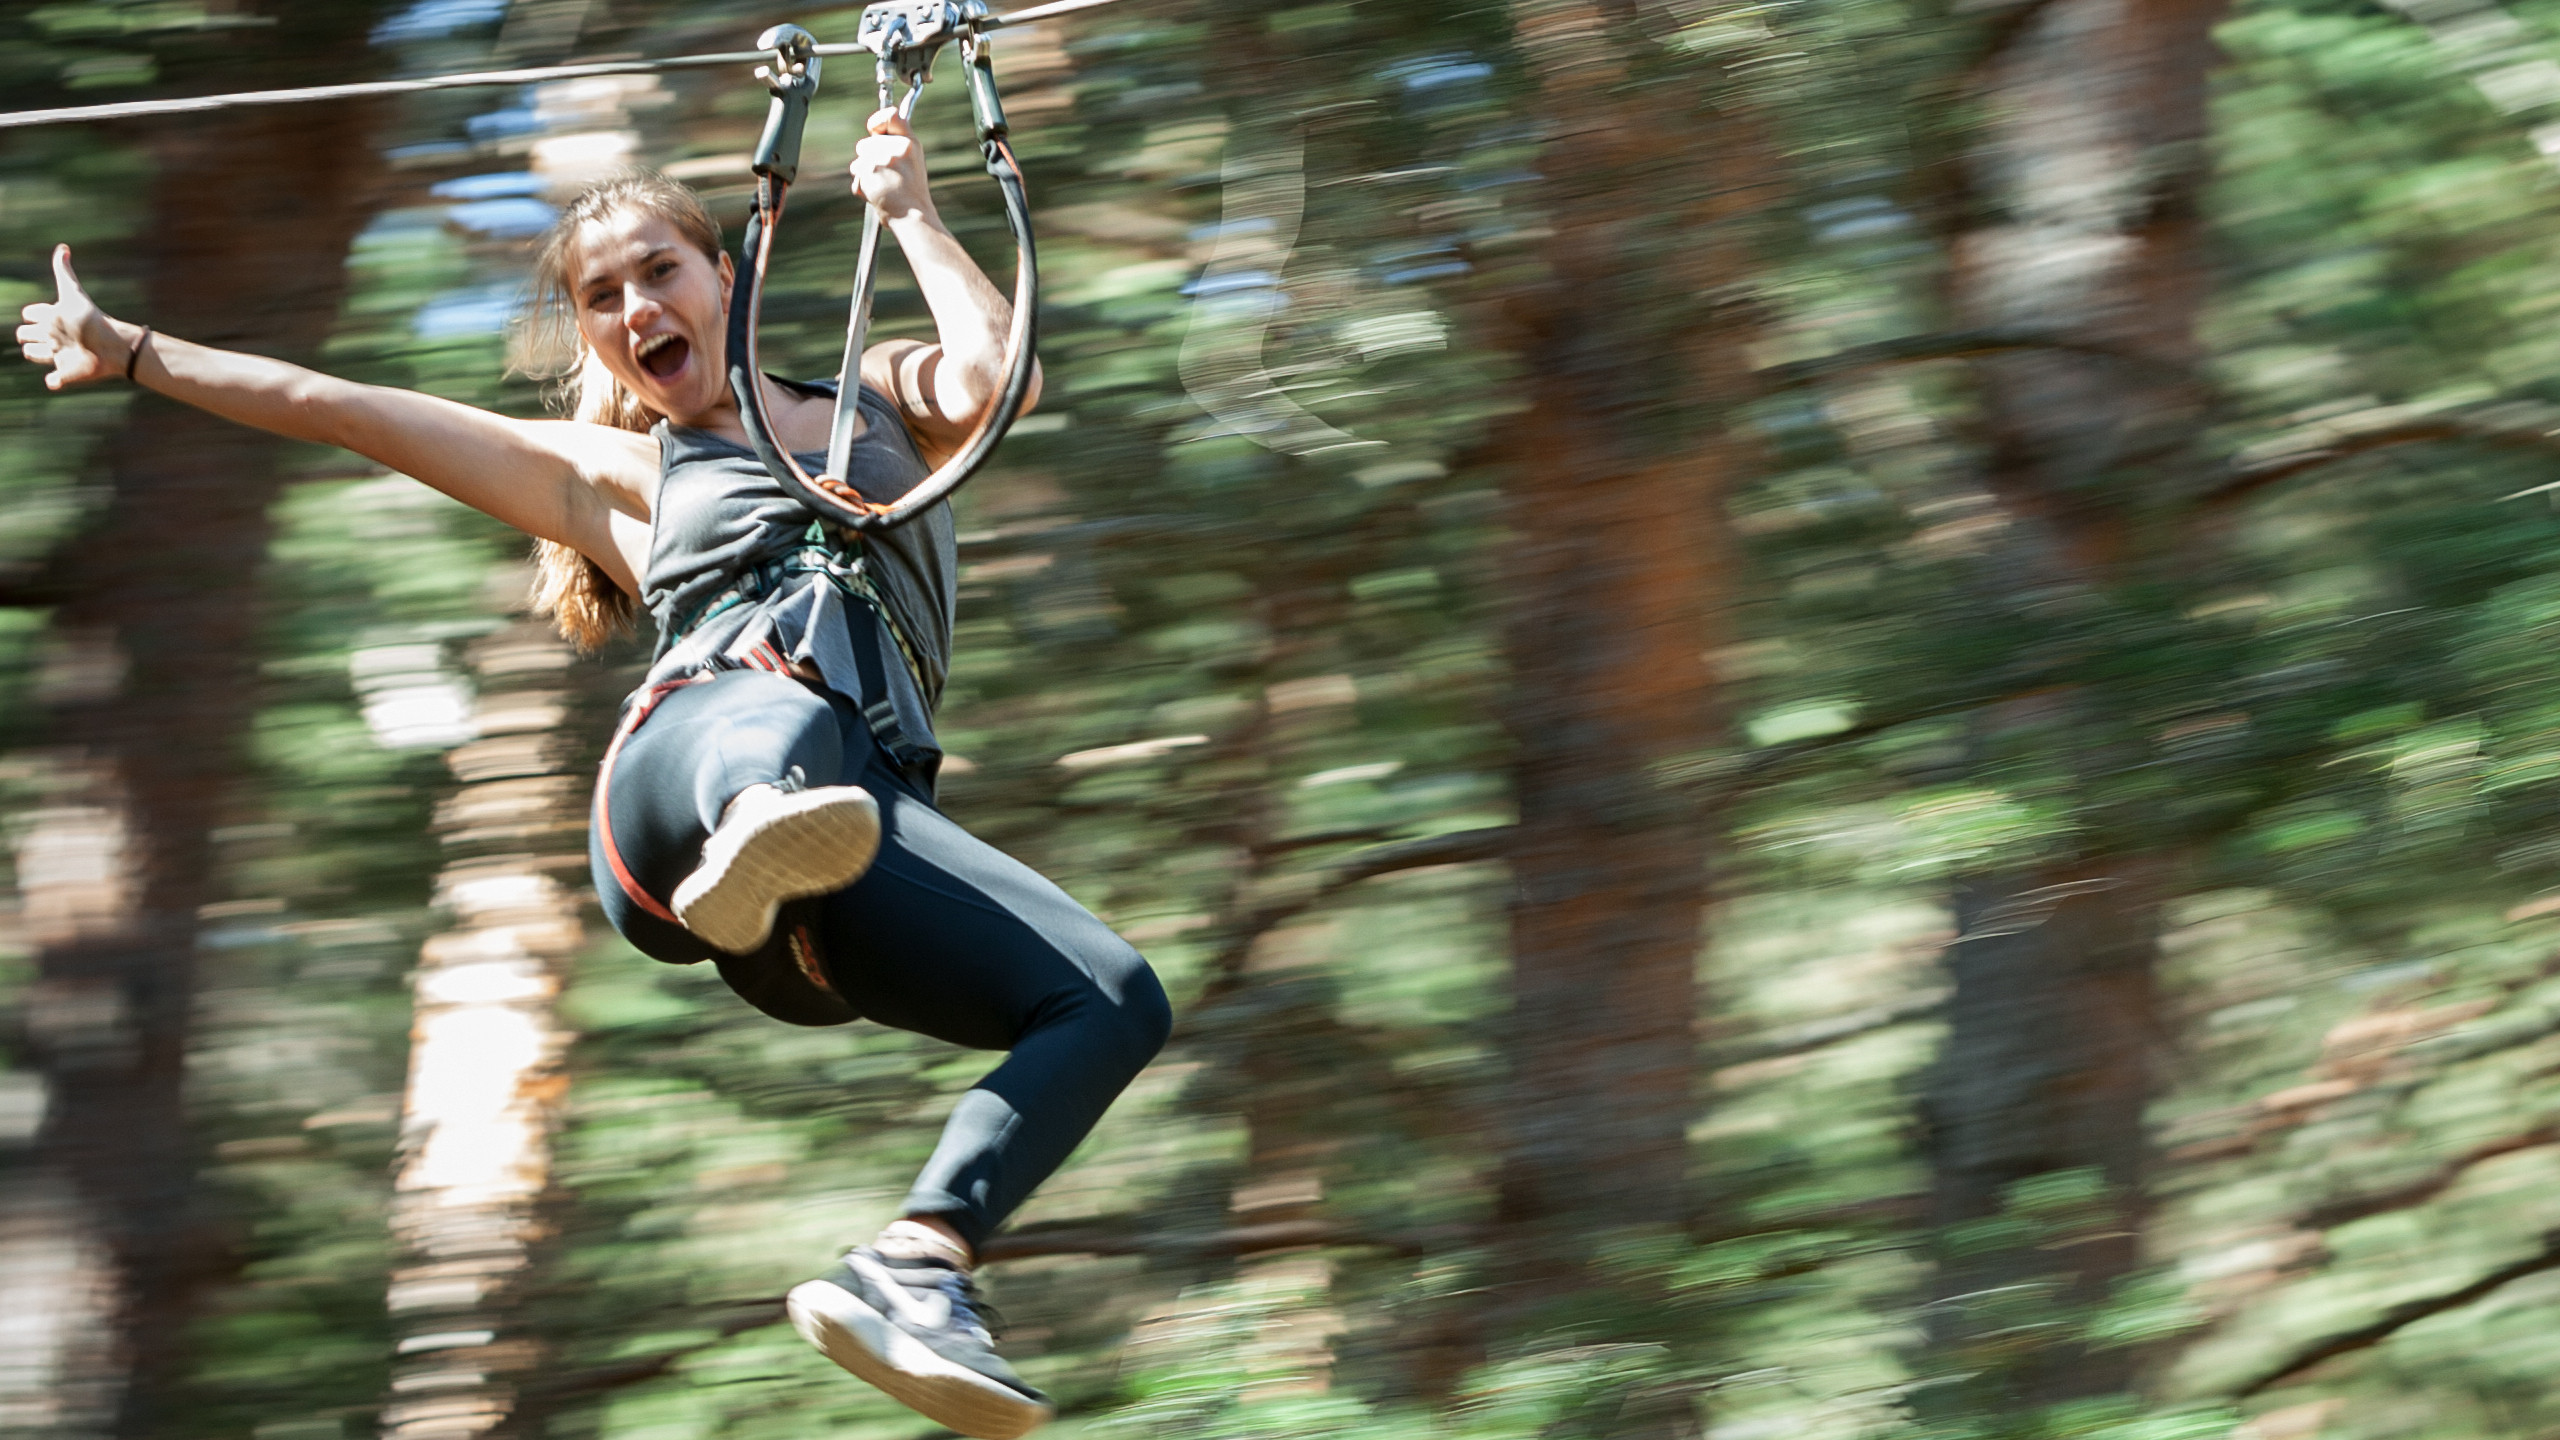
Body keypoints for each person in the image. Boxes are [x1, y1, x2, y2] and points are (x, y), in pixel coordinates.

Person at [17, 108, 1169, 1440]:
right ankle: (755, 830)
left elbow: (1002, 378)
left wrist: (908, 206)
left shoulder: (875, 397)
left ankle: (917, 1262)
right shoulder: (616, 477)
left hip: (831, 878)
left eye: (657, 272)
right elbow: (342, 411)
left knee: (1115, 997)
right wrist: (139, 353)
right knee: (783, 708)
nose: (634, 307)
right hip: (677, 790)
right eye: (601, 297)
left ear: (724, 273)